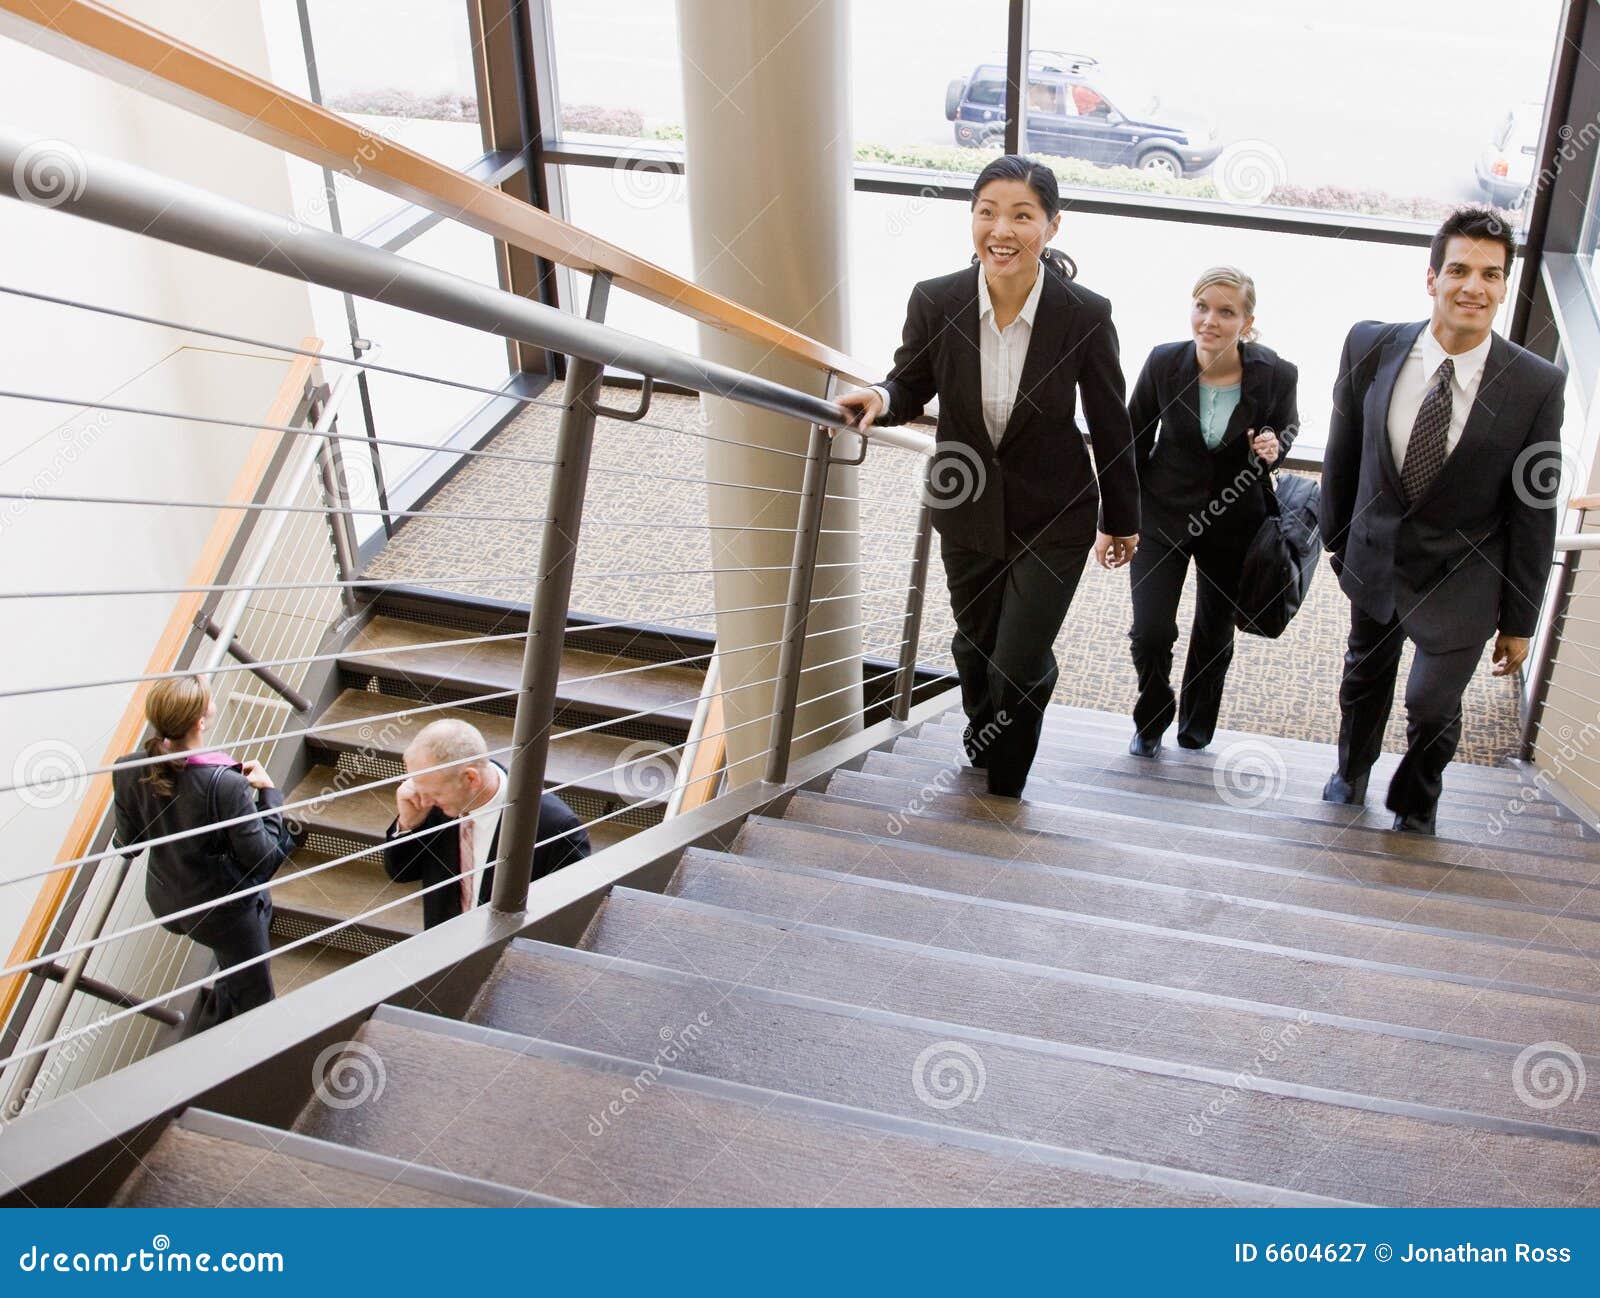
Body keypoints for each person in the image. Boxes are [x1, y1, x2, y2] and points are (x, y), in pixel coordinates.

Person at [840, 154, 1141, 799]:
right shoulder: (937, 299)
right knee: (975, 649)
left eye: (1022, 215)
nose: (1001, 229)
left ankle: (1006, 781)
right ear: (972, 220)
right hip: (966, 497)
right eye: (987, 212)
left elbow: (1112, 421)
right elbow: (910, 380)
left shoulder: (1084, 312)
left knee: (1017, 660)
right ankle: (985, 734)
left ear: (1052, 227)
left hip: (1055, 511)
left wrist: (1121, 519)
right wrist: (881, 399)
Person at [1320, 205, 1564, 834]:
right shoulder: (1369, 345)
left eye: (1491, 274)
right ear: (1432, 278)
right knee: (1364, 677)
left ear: (1505, 285)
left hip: (1466, 572)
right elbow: (1344, 451)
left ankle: (1418, 796)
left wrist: (1520, 618)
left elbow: (1534, 509)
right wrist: (1337, 541)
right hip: (1374, 557)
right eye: (1459, 269)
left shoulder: (1536, 385)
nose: (1473, 287)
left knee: (1430, 704)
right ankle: (1351, 772)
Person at [1126, 267, 1300, 755]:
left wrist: (1274, 446)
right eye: (1202, 306)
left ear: (1247, 321)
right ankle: (1153, 713)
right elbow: (1133, 440)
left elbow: (1288, 426)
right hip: (1162, 514)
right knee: (1150, 630)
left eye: (1226, 311)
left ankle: (1195, 725)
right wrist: (1115, 518)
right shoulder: (1164, 363)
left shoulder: (1276, 373)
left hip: (1233, 520)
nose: (1210, 320)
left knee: (1214, 631)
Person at [111, 676, 296, 1034]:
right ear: (200, 722)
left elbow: (129, 844)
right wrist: (270, 795)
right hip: (220, 911)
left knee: (247, 938)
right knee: (256, 999)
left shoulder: (127, 767)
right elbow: (264, 859)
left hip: (170, 900)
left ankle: (223, 1005)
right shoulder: (224, 782)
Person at [382, 718, 591, 928]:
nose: (424, 800)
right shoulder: (432, 801)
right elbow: (401, 872)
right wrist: (408, 823)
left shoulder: (555, 827)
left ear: (471, 779)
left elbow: (568, 919)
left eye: (434, 793)